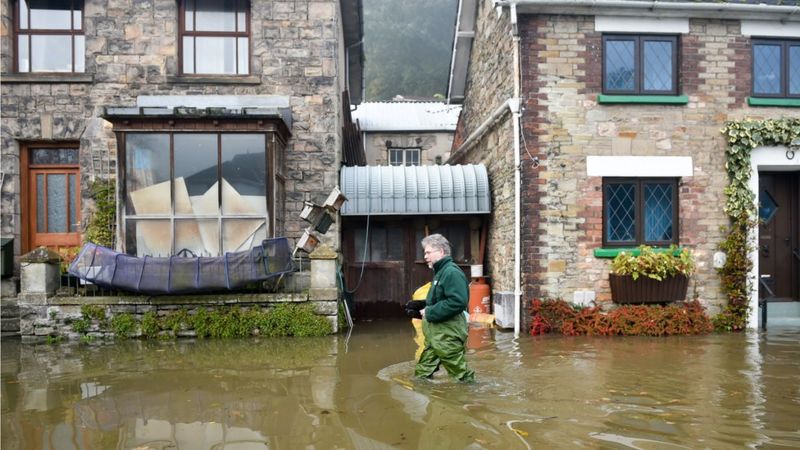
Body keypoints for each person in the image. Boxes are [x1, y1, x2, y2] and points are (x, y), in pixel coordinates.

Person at [413, 234, 475, 382]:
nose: (425, 256)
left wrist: (429, 311)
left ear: (440, 252)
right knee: (422, 373)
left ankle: (471, 401)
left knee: (462, 376)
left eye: (428, 252)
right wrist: (422, 305)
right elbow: (442, 298)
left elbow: (457, 302)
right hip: (436, 335)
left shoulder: (451, 272)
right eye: (425, 253)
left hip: (447, 334)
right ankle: (431, 400)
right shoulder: (440, 272)